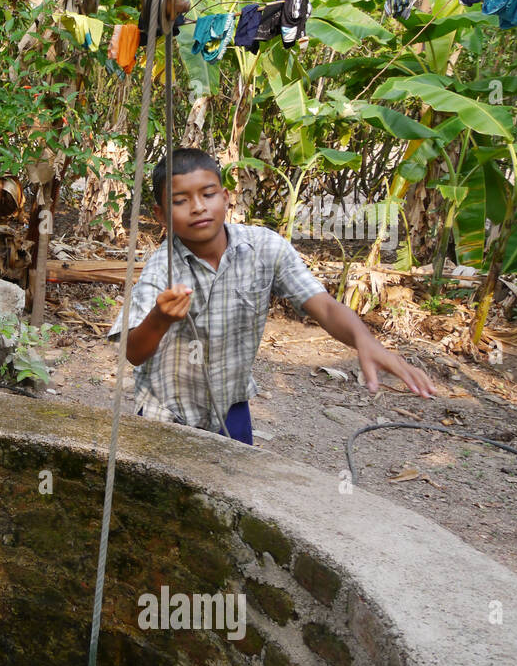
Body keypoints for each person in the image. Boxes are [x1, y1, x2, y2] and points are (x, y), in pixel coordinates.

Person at [109, 147, 435, 445]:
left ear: (225, 197)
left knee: (234, 494)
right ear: (160, 214)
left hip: (231, 407)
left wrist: (365, 340)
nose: (197, 207)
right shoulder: (161, 269)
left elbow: (322, 305)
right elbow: (134, 352)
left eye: (208, 194)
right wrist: (160, 317)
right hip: (167, 413)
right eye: (180, 201)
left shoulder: (265, 248)